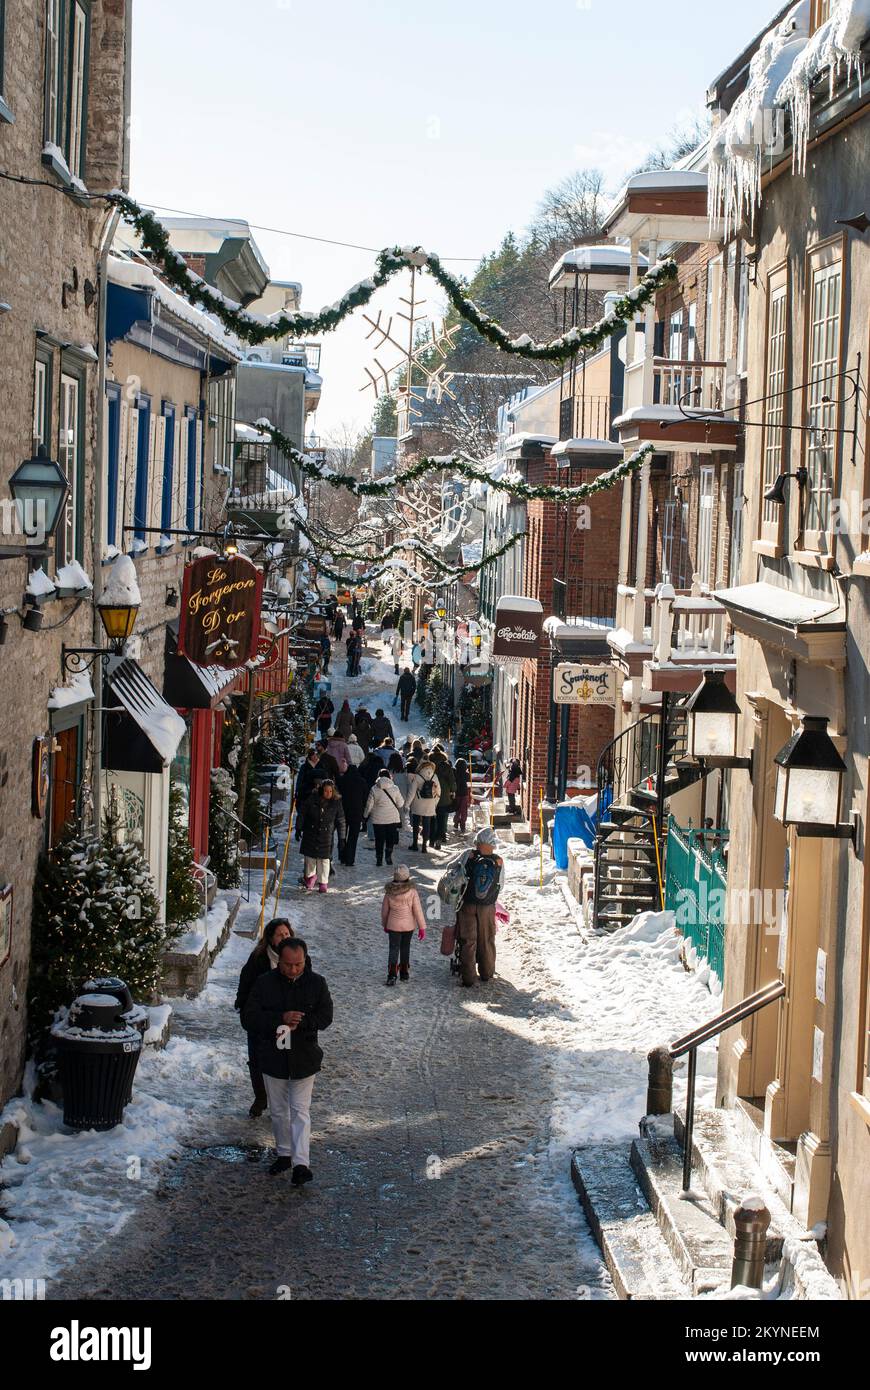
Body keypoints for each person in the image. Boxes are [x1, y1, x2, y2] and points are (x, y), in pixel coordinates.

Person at [242, 936, 333, 1181]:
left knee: (300, 1110)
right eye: (288, 965)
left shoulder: (317, 983)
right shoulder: (264, 984)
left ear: (305, 960)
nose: (293, 969)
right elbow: (249, 1018)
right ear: (279, 961)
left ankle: (301, 1163)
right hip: (273, 1056)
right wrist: (280, 1018)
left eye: (298, 965)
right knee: (280, 1110)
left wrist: (302, 1022)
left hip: (304, 1057)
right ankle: (284, 1154)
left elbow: (326, 1017)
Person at [234, 917, 294, 1117]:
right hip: (260, 1021)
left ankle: (280, 1101)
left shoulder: (298, 957)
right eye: (280, 934)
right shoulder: (259, 958)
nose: (285, 937)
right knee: (257, 1061)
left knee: (283, 1059)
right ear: (271, 938)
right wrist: (244, 1010)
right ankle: (260, 1097)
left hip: (284, 1024)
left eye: (287, 934)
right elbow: (246, 986)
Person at [454, 827, 505, 987]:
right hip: (487, 907)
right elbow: (501, 885)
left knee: (468, 940)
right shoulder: (498, 861)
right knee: (487, 939)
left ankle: (468, 977)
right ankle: (486, 972)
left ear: (478, 842)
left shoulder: (469, 856)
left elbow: (452, 870)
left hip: (467, 904)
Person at [381, 864, 426, 986]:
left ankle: (391, 975)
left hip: (393, 925)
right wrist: (422, 927)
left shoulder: (389, 892)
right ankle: (404, 973)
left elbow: (384, 911)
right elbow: (418, 910)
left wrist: (385, 924)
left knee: (393, 948)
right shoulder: (412, 892)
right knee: (405, 947)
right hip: (408, 926)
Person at [298, 779, 346, 892]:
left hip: (326, 835)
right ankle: (310, 877)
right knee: (310, 858)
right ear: (321, 790)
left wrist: (342, 838)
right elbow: (303, 813)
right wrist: (298, 828)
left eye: (330, 791)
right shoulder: (312, 799)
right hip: (311, 832)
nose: (328, 793)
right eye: (325, 791)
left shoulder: (336, 803)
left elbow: (341, 820)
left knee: (324, 860)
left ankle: (323, 883)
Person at [365, 767, 404, 866]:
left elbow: (369, 805)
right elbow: (400, 804)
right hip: (392, 818)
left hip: (378, 819)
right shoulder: (395, 788)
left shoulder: (374, 788)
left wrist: (365, 815)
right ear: (389, 777)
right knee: (390, 838)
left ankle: (379, 859)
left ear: (379, 777)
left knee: (379, 839)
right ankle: (388, 856)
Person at [405, 756, 441, 854]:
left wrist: (406, 805)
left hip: (417, 804)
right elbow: (438, 792)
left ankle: (415, 844)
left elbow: (411, 793)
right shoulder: (435, 776)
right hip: (430, 804)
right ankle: (424, 846)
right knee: (427, 825)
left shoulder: (417, 777)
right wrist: (434, 803)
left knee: (416, 825)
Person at [337, 762, 369, 866]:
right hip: (356, 812)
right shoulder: (362, 781)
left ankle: (342, 856)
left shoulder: (342, 780)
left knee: (342, 835)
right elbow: (365, 798)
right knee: (353, 836)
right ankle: (350, 859)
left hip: (343, 812)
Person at [431, 747, 456, 850]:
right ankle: (441, 836)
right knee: (443, 817)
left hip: (431, 795)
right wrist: (453, 790)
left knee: (432, 817)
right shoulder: (446, 766)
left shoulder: (429, 766)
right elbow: (452, 781)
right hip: (444, 796)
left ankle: (432, 838)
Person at [294, 749, 321, 840]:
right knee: (302, 812)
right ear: (310, 757)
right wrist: (298, 790)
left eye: (316, 755)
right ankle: (299, 830)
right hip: (305, 793)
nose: (315, 757)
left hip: (316, 793)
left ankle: (309, 831)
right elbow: (300, 780)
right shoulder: (304, 767)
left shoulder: (319, 766)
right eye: (313, 755)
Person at [453, 757, 471, 833]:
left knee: (457, 809)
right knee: (463, 810)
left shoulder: (454, 772)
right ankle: (463, 824)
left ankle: (456, 823)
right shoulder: (466, 774)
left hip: (457, 793)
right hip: (464, 793)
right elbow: (468, 779)